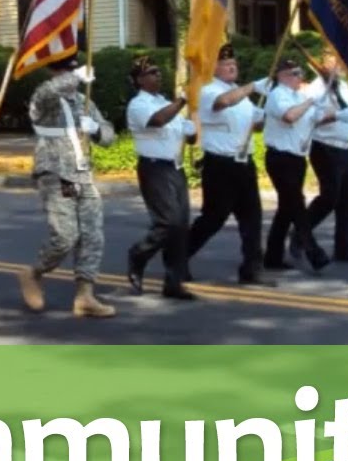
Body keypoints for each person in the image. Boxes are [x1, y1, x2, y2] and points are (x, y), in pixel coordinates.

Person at [16, 54, 118, 318]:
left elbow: (109, 136)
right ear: (53, 72)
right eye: (64, 72)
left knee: (92, 236)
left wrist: (96, 128)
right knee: (64, 236)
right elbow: (50, 90)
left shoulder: (84, 102)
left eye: (72, 71)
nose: (69, 77)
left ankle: (85, 296)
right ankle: (34, 272)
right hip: (56, 173)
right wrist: (76, 76)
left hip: (83, 175)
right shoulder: (44, 100)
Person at [186, 43, 275, 286]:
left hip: (243, 163)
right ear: (213, 67)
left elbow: (253, 126)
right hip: (220, 165)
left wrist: (262, 115)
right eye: (225, 64)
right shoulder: (208, 90)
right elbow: (222, 103)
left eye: (233, 63)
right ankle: (179, 256)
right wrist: (253, 87)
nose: (231, 66)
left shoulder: (239, 92)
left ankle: (251, 269)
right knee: (213, 218)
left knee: (252, 218)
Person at [125, 56, 197, 300]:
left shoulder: (165, 102)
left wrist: (191, 133)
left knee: (181, 226)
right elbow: (157, 120)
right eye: (152, 73)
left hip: (175, 168)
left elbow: (185, 134)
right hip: (155, 169)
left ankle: (173, 282)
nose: (158, 75)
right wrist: (183, 100)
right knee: (168, 222)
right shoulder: (138, 105)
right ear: (139, 80)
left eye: (158, 72)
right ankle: (139, 254)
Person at [262, 58, 331, 273]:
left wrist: (336, 115)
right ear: (282, 76)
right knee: (297, 205)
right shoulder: (277, 95)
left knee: (286, 209)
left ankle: (272, 256)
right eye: (294, 73)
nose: (299, 77)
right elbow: (290, 116)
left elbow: (315, 119)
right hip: (280, 158)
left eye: (300, 72)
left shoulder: (298, 96)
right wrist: (309, 102)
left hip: (297, 158)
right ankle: (314, 253)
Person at [303, 47, 348, 263]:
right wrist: (335, 116)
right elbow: (311, 118)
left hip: (346, 147)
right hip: (325, 146)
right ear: (323, 61)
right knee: (330, 197)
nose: (338, 65)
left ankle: (345, 248)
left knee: (347, 201)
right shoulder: (315, 89)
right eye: (333, 60)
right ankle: (301, 231)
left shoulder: (344, 87)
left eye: (340, 60)